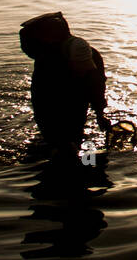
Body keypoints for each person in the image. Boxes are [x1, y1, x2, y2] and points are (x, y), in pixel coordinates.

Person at [19, 12, 109, 160]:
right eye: (79, 68)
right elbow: (41, 102)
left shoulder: (93, 56)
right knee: (57, 141)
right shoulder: (47, 63)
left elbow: (96, 86)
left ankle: (80, 162)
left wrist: (100, 114)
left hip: (76, 95)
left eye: (85, 68)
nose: (82, 71)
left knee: (75, 135)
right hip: (51, 95)